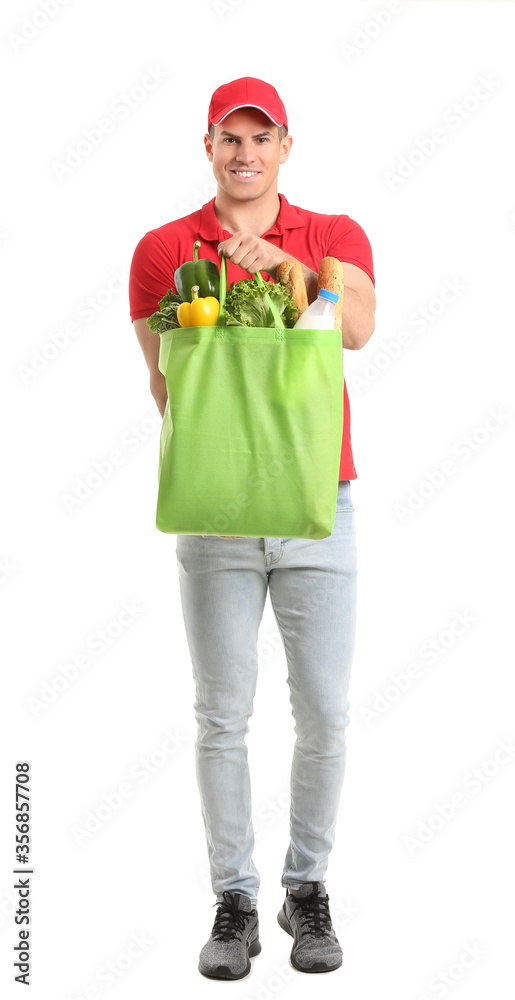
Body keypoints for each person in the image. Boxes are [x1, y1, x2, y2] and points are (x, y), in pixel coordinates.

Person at [129, 76, 376, 980]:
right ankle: (232, 900)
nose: (243, 153)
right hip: (218, 513)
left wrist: (281, 268)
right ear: (206, 147)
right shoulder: (164, 249)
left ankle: (304, 890)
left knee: (325, 713)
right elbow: (168, 388)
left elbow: (355, 329)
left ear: (283, 148)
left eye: (259, 138)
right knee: (219, 716)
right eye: (227, 139)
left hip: (320, 503)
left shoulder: (333, 238)